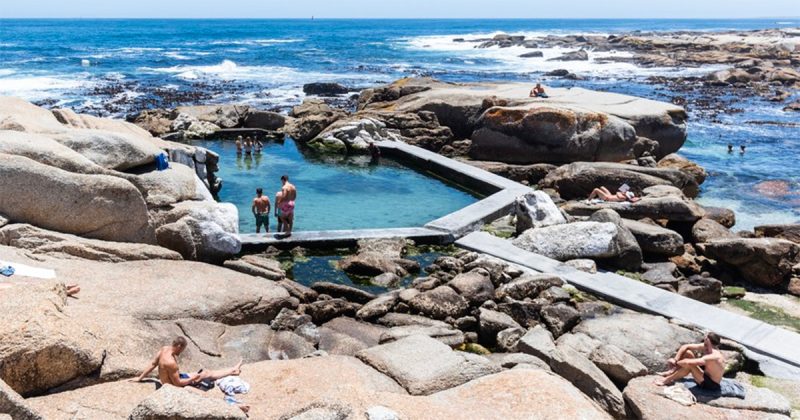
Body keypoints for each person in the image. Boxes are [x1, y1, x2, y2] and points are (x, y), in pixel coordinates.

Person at [130, 337, 249, 413]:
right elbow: (178, 384)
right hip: (172, 387)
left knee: (205, 373)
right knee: (204, 396)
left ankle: (233, 371)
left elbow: (152, 364)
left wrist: (140, 378)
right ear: (179, 346)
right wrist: (193, 378)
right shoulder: (171, 363)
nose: (181, 352)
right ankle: (234, 407)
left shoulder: (164, 349)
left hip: (172, 379)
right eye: (182, 349)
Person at [654, 332, 726, 390]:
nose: (704, 339)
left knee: (690, 366)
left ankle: (666, 380)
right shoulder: (707, 347)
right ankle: (672, 372)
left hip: (711, 384)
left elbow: (688, 362)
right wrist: (675, 359)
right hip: (705, 373)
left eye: (705, 338)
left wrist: (675, 363)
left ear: (708, 340)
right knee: (688, 353)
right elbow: (686, 346)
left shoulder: (715, 356)